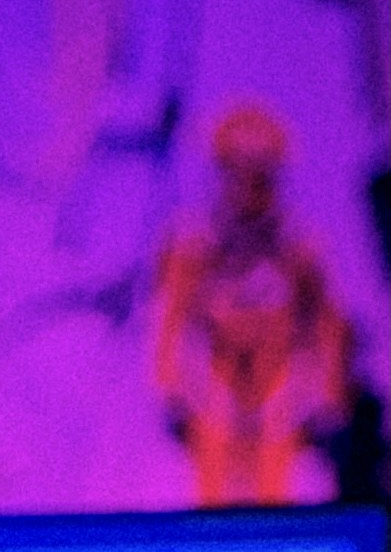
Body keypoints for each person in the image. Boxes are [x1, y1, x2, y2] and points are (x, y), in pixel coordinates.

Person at [148, 99, 348, 504]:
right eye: (236, 170)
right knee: (213, 474)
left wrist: (328, 389)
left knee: (276, 480)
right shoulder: (193, 243)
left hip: (276, 380)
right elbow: (170, 315)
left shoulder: (299, 245)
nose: (247, 185)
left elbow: (324, 319)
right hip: (216, 381)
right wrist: (168, 381)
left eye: (260, 173)